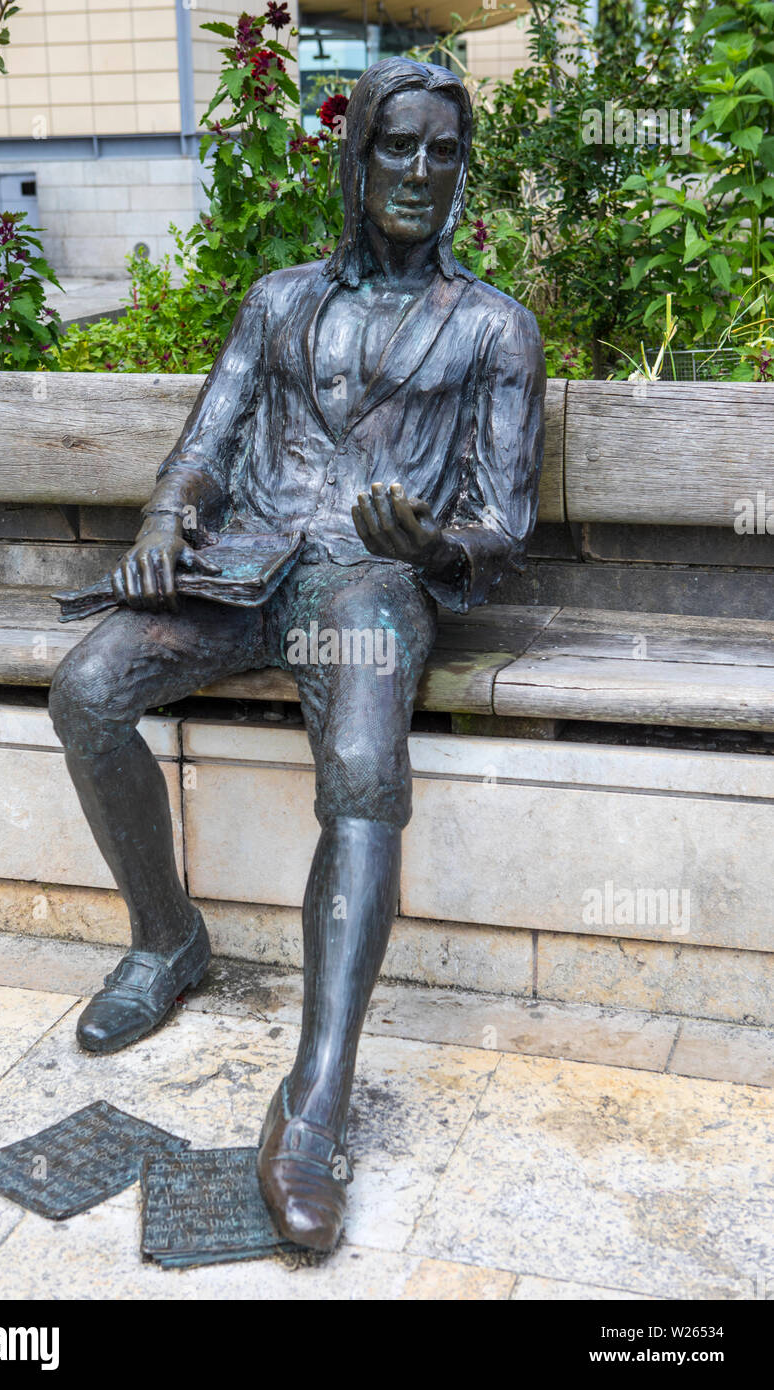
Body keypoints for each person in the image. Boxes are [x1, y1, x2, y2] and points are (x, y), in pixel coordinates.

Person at [49, 56, 546, 1252]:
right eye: (398, 146)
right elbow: (206, 435)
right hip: (243, 567)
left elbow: (503, 530)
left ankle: (313, 1101)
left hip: (372, 584)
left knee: (365, 774)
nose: (421, 171)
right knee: (87, 688)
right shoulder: (280, 300)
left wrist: (434, 543)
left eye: (443, 151)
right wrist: (168, 526)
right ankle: (167, 940)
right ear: (357, 156)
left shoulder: (492, 329)